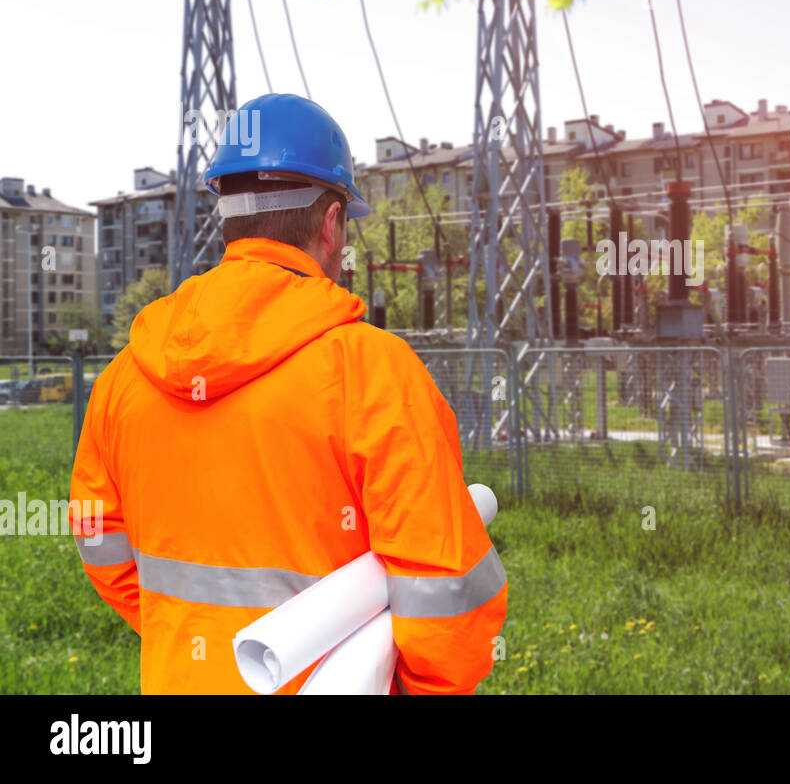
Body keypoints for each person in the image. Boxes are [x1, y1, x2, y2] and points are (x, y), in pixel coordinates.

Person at [68, 93, 506, 694]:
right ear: (331, 223)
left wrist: (195, 645)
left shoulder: (125, 377)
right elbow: (446, 589)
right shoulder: (373, 372)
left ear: (228, 215)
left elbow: (99, 538)